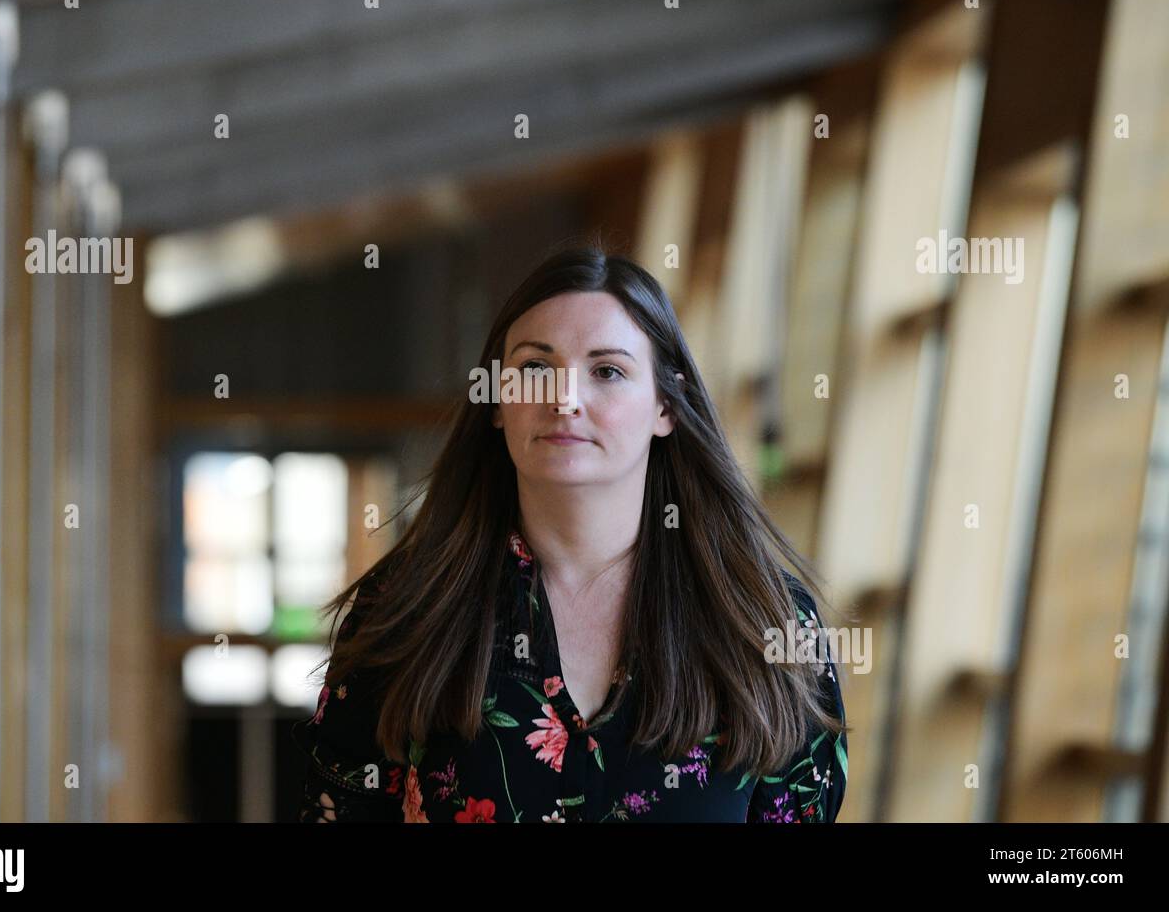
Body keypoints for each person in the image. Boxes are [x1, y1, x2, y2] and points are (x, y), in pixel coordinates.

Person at [292, 243, 849, 822]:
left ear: (665, 406)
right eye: (535, 369)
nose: (563, 400)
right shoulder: (404, 608)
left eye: (607, 371)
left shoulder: (767, 623)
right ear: (497, 402)